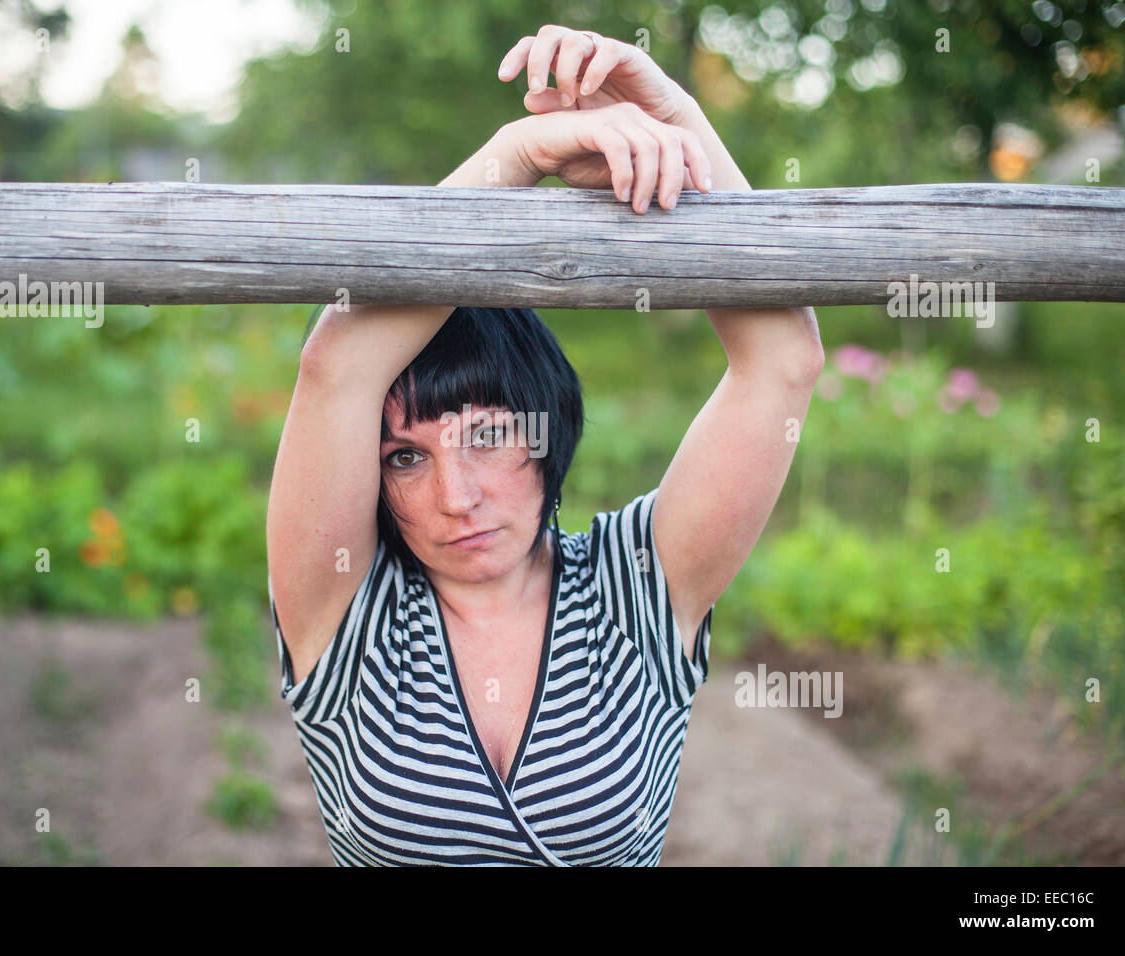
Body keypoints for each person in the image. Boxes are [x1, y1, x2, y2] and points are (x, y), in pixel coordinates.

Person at [266, 24, 825, 865]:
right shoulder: (349, 619)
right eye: (405, 457)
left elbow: (782, 361)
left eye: (489, 437)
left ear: (548, 431)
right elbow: (336, 363)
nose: (456, 496)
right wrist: (516, 153)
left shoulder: (634, 594)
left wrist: (671, 116)